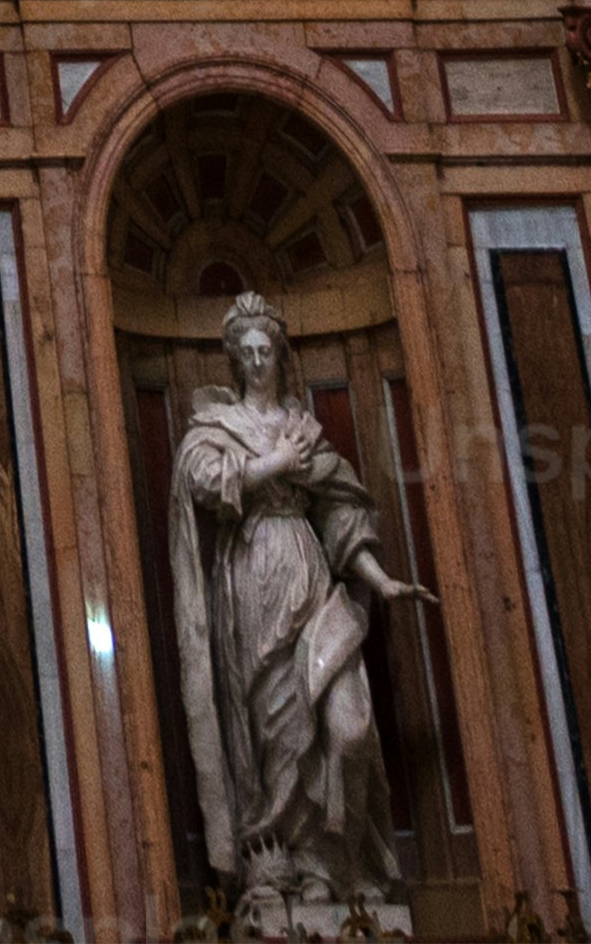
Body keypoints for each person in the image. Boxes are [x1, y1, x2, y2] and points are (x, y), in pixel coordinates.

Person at [166, 290, 404, 935]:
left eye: (265, 349)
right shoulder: (216, 428)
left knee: (348, 725)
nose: (256, 360)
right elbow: (199, 479)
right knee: (273, 722)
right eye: (244, 352)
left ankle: (340, 857)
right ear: (233, 361)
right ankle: (280, 862)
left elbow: (342, 507)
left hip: (308, 568)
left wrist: (379, 582)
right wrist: (271, 464)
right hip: (250, 580)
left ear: (280, 353)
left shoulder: (306, 428)